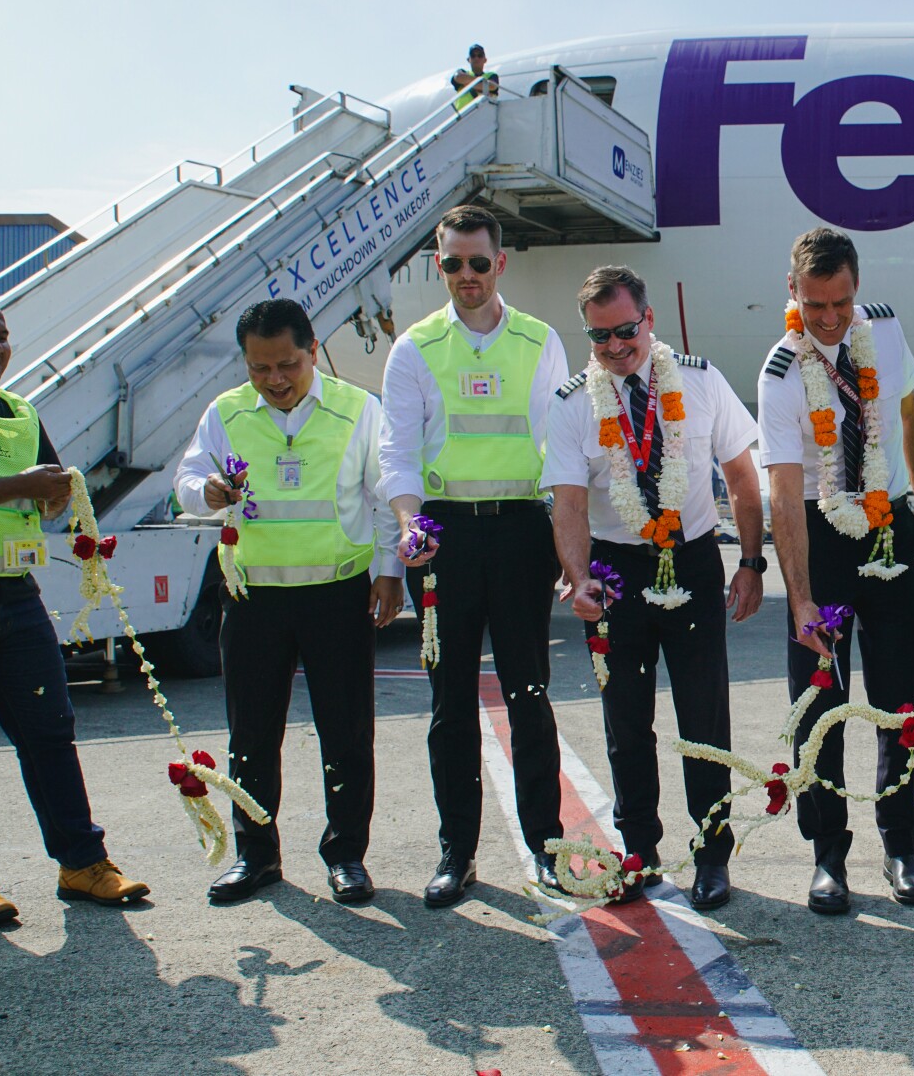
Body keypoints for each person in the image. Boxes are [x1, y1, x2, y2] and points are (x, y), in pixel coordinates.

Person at [0, 278, 148, 926]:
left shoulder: (19, 413)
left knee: (50, 734)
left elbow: (45, 493)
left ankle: (83, 862)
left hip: (14, 600)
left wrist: (62, 505)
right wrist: (17, 484)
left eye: (2, 336)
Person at [173, 299, 409, 906]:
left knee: (346, 730)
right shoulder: (225, 412)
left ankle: (346, 855)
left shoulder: (358, 409)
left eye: (287, 364)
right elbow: (187, 482)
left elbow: (383, 498)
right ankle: (256, 855)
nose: (275, 379)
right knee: (251, 732)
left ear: (311, 351)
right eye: (260, 368)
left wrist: (389, 573)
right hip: (254, 598)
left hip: (339, 595)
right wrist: (208, 491)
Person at [546, 265, 765, 911]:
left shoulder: (700, 381)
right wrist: (581, 579)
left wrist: (751, 561)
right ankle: (638, 851)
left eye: (623, 332)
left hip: (692, 559)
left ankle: (713, 853)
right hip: (616, 571)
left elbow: (743, 479)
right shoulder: (570, 403)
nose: (614, 348)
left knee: (705, 715)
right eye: (598, 337)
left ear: (648, 321)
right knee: (625, 722)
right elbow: (569, 505)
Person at [380, 205, 568, 907]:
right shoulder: (415, 348)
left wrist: (565, 542)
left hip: (521, 533)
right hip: (445, 539)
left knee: (529, 695)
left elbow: (562, 445)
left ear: (500, 264)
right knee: (449, 703)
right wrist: (408, 525)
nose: (466, 275)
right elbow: (396, 452)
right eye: (452, 263)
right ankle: (456, 853)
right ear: (439, 265)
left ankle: (545, 847)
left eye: (478, 263)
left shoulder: (538, 340)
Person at [757, 227, 914, 915]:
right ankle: (827, 855)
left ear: (857, 289)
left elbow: (912, 414)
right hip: (822, 534)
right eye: (814, 304)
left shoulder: (883, 332)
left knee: (902, 702)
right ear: (791, 292)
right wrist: (800, 600)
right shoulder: (779, 371)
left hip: (889, 526)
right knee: (820, 707)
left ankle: (902, 847)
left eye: (841, 303)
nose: (829, 320)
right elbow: (782, 491)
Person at [450, 44, 499, 111]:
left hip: (484, 115)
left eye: (480, 55)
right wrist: (482, 84)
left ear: (485, 60)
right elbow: (458, 77)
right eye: (473, 56)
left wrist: (467, 83)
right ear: (468, 59)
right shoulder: (462, 72)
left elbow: (492, 86)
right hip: (463, 117)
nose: (476, 58)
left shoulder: (491, 75)